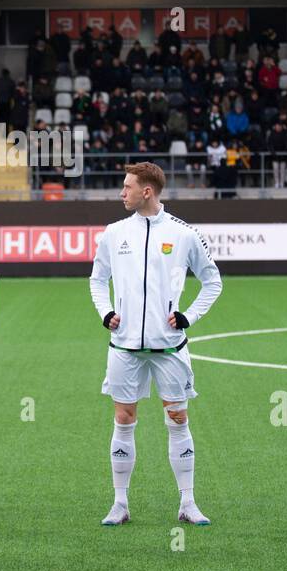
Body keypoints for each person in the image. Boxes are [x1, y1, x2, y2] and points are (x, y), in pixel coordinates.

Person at [89, 162, 222, 527]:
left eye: (128, 186)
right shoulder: (114, 233)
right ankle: (120, 503)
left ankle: (188, 502)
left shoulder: (184, 234)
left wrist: (188, 316)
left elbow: (213, 281)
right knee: (123, 418)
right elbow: (97, 279)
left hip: (170, 348)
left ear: (147, 191)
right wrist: (106, 312)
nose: (122, 192)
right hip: (124, 347)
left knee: (178, 419)